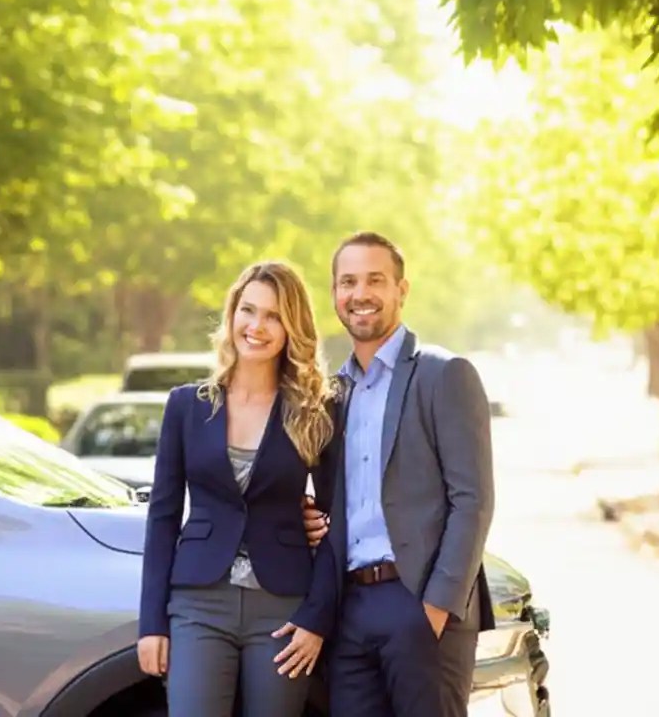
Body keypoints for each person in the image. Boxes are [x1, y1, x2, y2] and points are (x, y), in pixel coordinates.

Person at [304, 231, 496, 717]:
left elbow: (472, 501)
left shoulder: (443, 374)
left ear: (401, 290)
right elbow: (331, 500)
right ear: (334, 295)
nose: (360, 294)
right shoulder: (332, 394)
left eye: (375, 280)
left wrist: (434, 610)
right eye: (348, 282)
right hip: (350, 612)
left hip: (420, 604)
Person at [137, 261, 339, 716]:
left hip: (283, 611)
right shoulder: (187, 406)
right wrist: (152, 623)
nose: (257, 326)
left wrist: (316, 619)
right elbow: (163, 517)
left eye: (273, 316)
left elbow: (337, 521)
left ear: (292, 327)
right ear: (231, 316)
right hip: (198, 605)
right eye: (248, 310)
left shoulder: (314, 411)